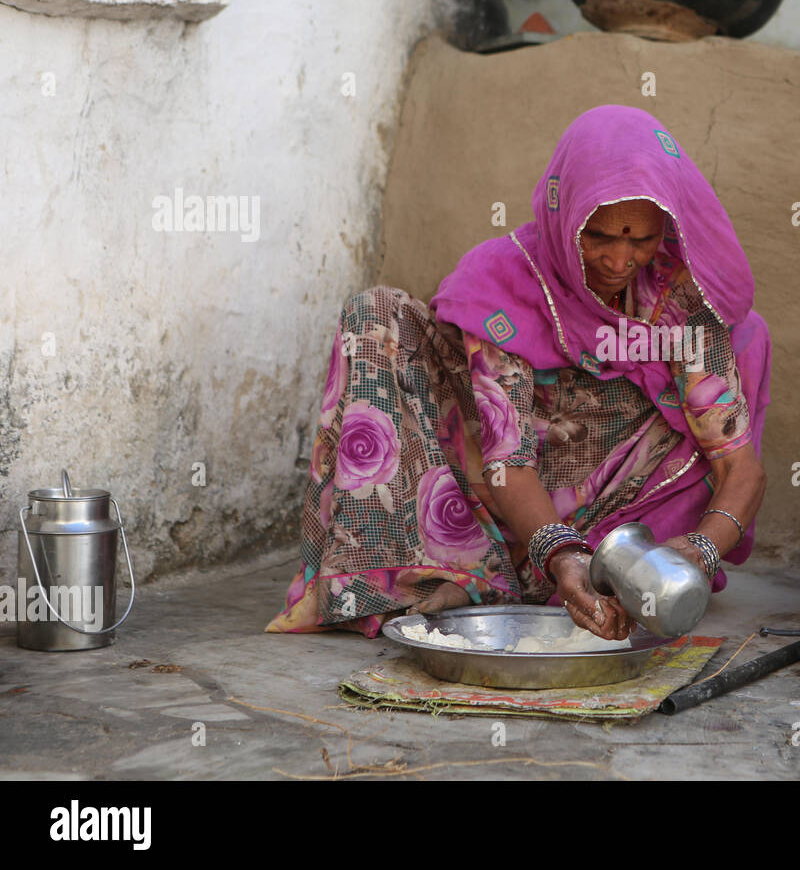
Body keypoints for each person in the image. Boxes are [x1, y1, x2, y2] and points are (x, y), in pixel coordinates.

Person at [266, 104, 770, 641]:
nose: (621, 261)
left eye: (641, 241)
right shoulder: (505, 283)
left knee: (744, 338)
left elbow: (738, 466)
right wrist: (558, 552)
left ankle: (561, 572)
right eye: (599, 236)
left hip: (610, 508)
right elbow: (508, 458)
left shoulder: (679, 299)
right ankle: (453, 570)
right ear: (564, 211)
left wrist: (703, 547)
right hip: (492, 491)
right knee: (377, 315)